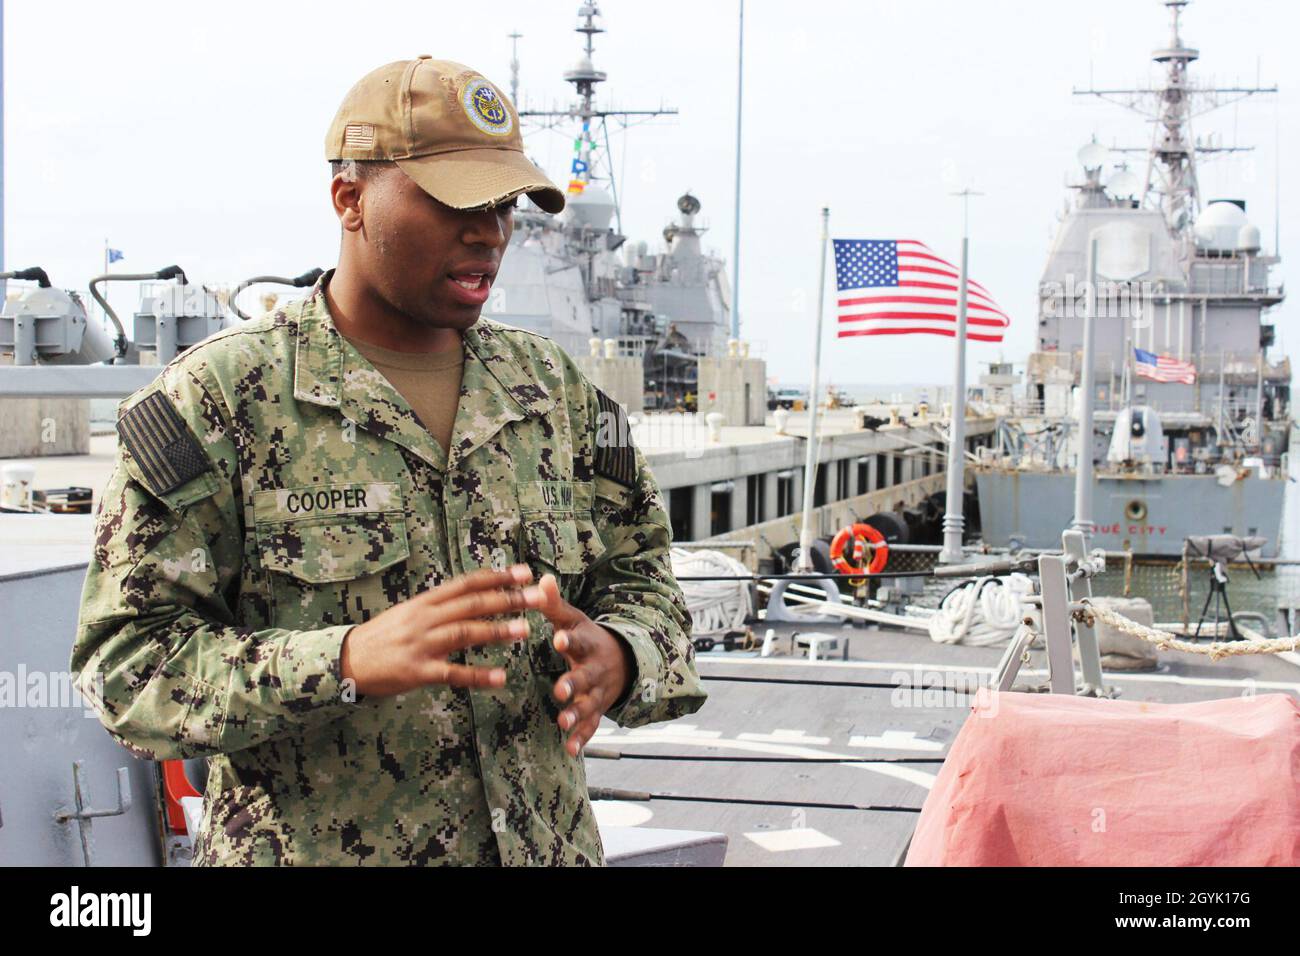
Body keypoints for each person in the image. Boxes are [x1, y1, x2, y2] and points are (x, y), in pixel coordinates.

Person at [71, 57, 706, 866]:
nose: (490, 232)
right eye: (454, 203)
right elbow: (124, 668)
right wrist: (341, 661)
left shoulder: (558, 393)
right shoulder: (219, 401)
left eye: (504, 205)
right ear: (349, 200)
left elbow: (648, 582)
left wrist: (621, 655)